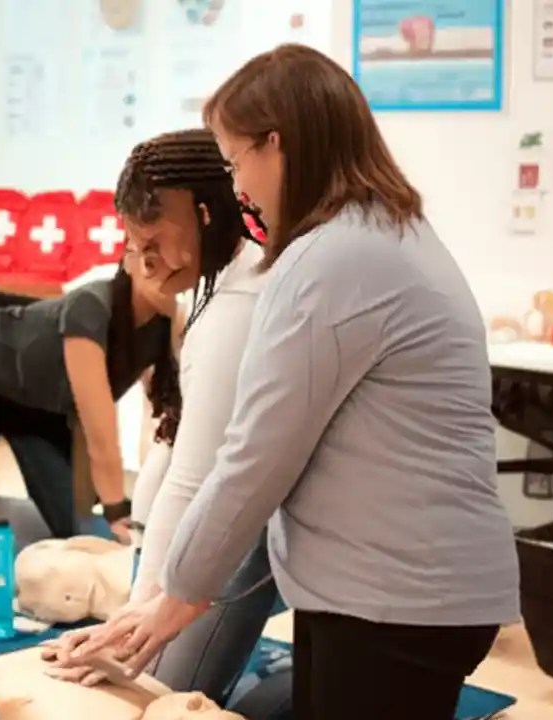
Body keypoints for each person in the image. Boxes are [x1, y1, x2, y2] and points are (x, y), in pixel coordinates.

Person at [62, 44, 521, 720]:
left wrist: (169, 599)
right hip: (413, 591)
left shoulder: (329, 260)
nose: (235, 185)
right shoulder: (386, 232)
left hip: (396, 601)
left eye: (235, 160)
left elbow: (250, 459)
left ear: (276, 146)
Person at [44, 129, 277, 708]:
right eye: (131, 242)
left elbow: (200, 479)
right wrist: (141, 596)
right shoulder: (220, 286)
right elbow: (180, 458)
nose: (142, 261)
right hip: (248, 521)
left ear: (204, 214)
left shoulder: (235, 307)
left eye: (153, 239)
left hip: (266, 531)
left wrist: (147, 607)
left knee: (157, 694)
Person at [0, 130, 250, 543]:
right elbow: (99, 427)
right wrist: (119, 512)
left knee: (70, 523)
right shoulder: (91, 309)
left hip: (35, 405)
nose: (160, 263)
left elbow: (164, 418)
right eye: (144, 251)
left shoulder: (168, 321)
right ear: (128, 260)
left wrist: (147, 507)